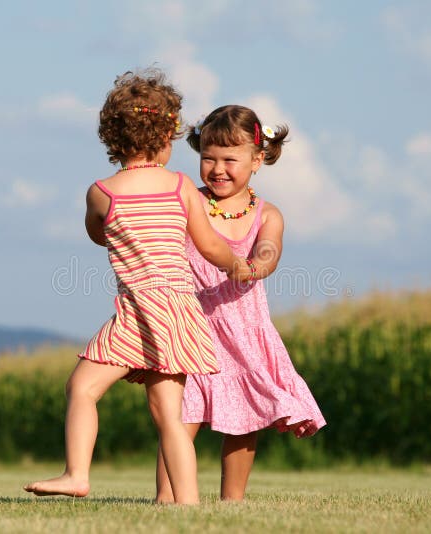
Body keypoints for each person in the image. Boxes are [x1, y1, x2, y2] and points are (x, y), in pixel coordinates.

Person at [24, 71, 251, 505]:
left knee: (82, 389)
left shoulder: (102, 193)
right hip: (181, 310)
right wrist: (237, 264)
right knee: (169, 415)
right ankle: (187, 503)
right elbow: (209, 246)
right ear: (167, 134)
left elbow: (98, 235)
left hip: (139, 309)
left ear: (112, 137)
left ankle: (76, 473)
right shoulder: (182, 187)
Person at [155, 105, 326, 503]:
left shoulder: (267, 214)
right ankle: (168, 496)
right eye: (207, 158)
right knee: (181, 416)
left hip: (244, 330)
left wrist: (256, 265)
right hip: (193, 327)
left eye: (229, 159)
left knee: (243, 420)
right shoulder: (188, 203)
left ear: (257, 159)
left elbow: (269, 249)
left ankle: (233, 499)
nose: (217, 169)